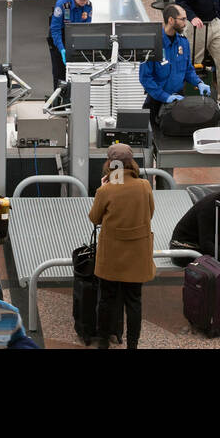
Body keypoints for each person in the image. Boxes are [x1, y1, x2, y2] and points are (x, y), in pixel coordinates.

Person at [87, 143, 155, 349]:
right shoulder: (144, 186)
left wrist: (103, 187)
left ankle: (103, 343)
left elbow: (95, 218)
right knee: (134, 301)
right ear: (132, 163)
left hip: (112, 256)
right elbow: (150, 213)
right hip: (138, 255)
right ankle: (132, 345)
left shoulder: (106, 189)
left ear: (110, 163)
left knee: (107, 300)